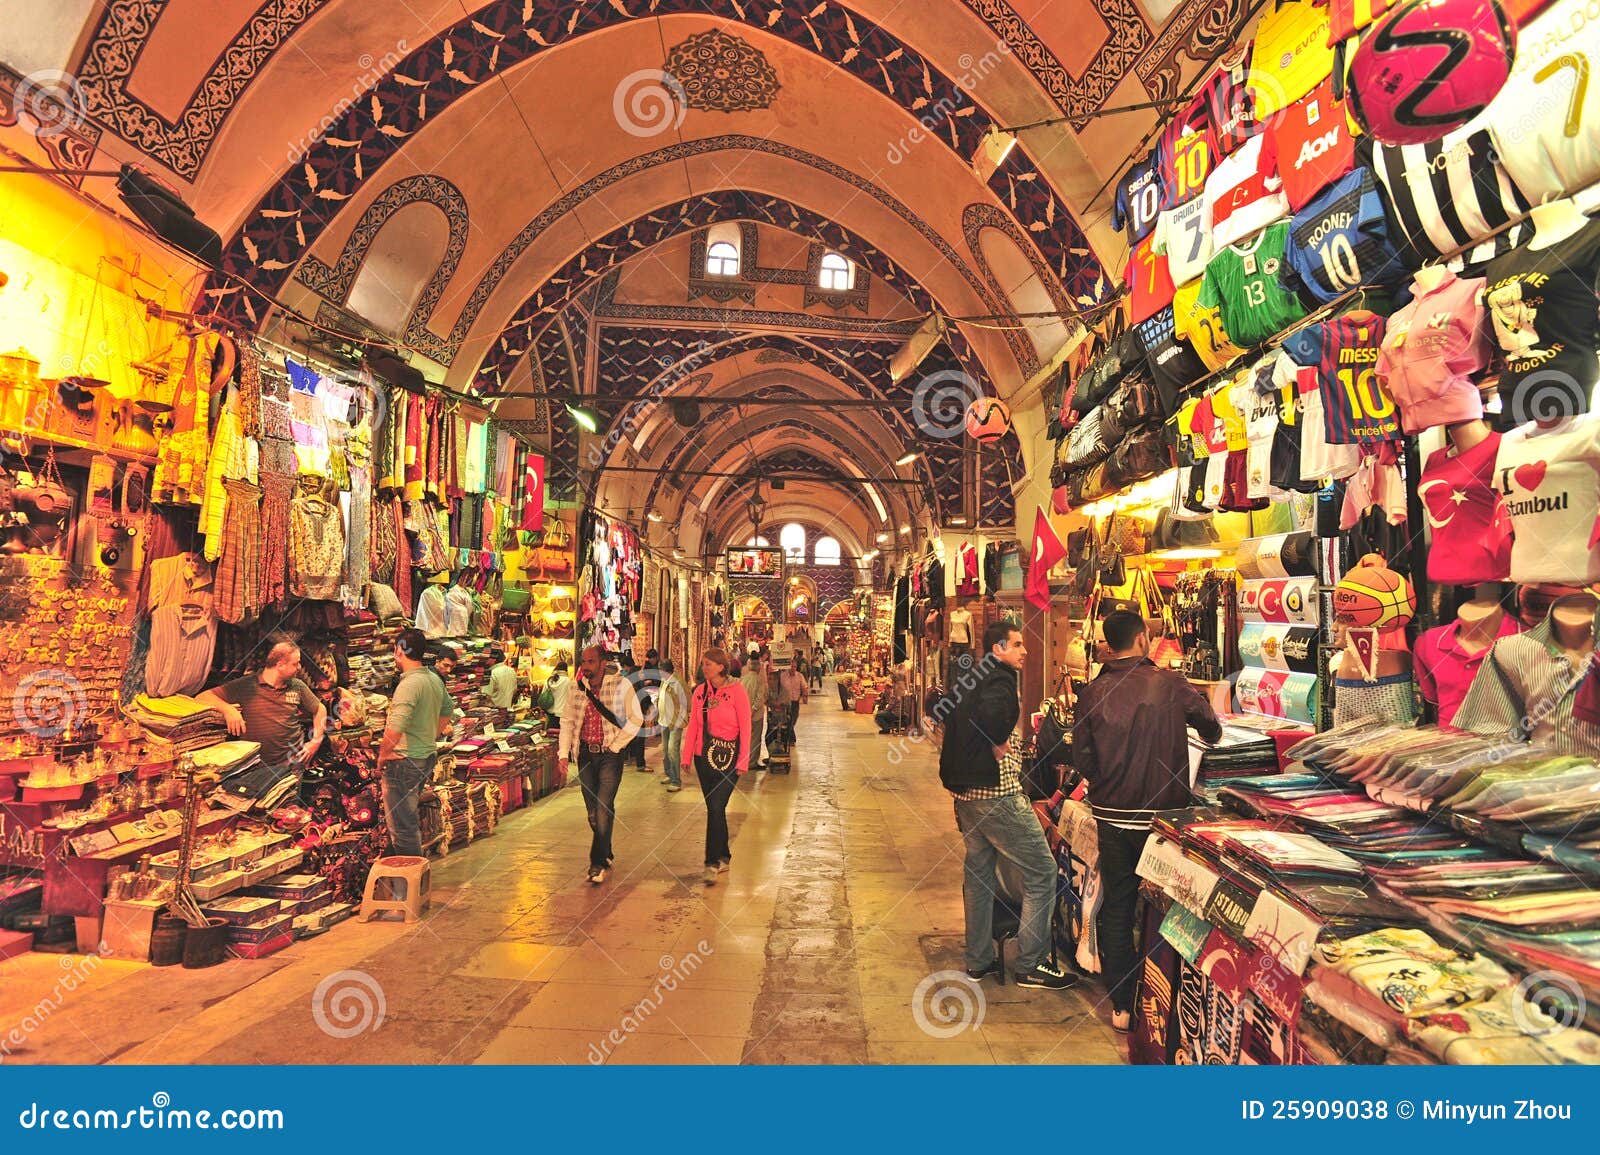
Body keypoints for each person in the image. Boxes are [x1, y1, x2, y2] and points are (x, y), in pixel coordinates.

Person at [1073, 609, 1222, 1032]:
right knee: (1170, 908)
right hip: (1163, 821)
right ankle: (1164, 1005)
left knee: (1118, 904)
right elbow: (1212, 729)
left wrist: (1107, 783)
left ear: (1109, 643)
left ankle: (1122, 1004)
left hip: (1112, 817)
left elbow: (1082, 757)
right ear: (1141, 639)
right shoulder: (1171, 683)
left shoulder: (1092, 691)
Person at [938, 621, 1076, 991]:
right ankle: (1030, 964)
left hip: (966, 795)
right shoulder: (999, 680)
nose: (1024, 650)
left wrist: (977, 741)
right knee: (1042, 873)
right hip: (995, 796)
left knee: (979, 876)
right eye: (1016, 644)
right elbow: (994, 722)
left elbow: (944, 711)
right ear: (998, 649)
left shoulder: (969, 676)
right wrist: (994, 740)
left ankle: (979, 961)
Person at [558, 645, 642, 884]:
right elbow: (567, 721)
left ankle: (597, 863)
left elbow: (636, 718)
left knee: (603, 807)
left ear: (603, 663)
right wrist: (563, 753)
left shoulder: (620, 686)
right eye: (583, 661)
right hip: (585, 754)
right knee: (593, 813)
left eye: (591, 662)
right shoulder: (576, 688)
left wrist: (617, 746)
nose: (585, 667)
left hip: (609, 756)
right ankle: (605, 850)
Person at [199, 637, 328, 780]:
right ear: (280, 665)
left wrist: (316, 741)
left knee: (290, 802)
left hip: (292, 765)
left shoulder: (297, 685)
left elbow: (320, 709)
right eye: (296, 664)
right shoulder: (246, 685)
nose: (299, 668)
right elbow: (202, 697)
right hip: (254, 767)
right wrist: (228, 709)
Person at [375, 628, 449, 856]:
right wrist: (431, 733)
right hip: (424, 756)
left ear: (399, 651)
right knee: (406, 820)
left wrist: (383, 755)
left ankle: (409, 885)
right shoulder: (433, 680)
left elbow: (396, 725)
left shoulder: (408, 685)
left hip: (404, 761)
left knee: (403, 828)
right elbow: (447, 708)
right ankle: (409, 880)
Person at [681, 647, 751, 886]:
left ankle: (711, 862)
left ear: (722, 667)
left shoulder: (737, 691)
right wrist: (687, 755)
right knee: (715, 808)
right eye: (703, 664)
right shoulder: (700, 692)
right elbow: (693, 725)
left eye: (709, 664)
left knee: (716, 806)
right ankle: (724, 856)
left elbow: (746, 726)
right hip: (704, 757)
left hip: (728, 758)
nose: (704, 668)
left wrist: (743, 759)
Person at [656, 658, 689, 793]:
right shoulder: (664, 681)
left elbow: (686, 701)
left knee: (672, 750)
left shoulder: (678, 683)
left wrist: (680, 718)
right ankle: (669, 774)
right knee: (665, 750)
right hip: (664, 720)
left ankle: (676, 780)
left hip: (675, 721)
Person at [740, 650, 769, 772]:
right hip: (755, 715)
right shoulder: (759, 680)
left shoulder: (743, 679)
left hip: (744, 714)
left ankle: (744, 761)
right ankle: (751, 762)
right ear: (758, 668)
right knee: (755, 738)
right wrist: (753, 710)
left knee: (745, 738)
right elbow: (760, 698)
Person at [777, 661, 808, 744]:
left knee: (793, 720)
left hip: (795, 702)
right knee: (788, 721)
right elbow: (778, 688)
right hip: (785, 702)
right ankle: (791, 739)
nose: (793, 669)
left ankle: (787, 738)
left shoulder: (799, 676)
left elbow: (804, 687)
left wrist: (805, 696)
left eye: (794, 667)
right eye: (791, 667)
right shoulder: (782, 676)